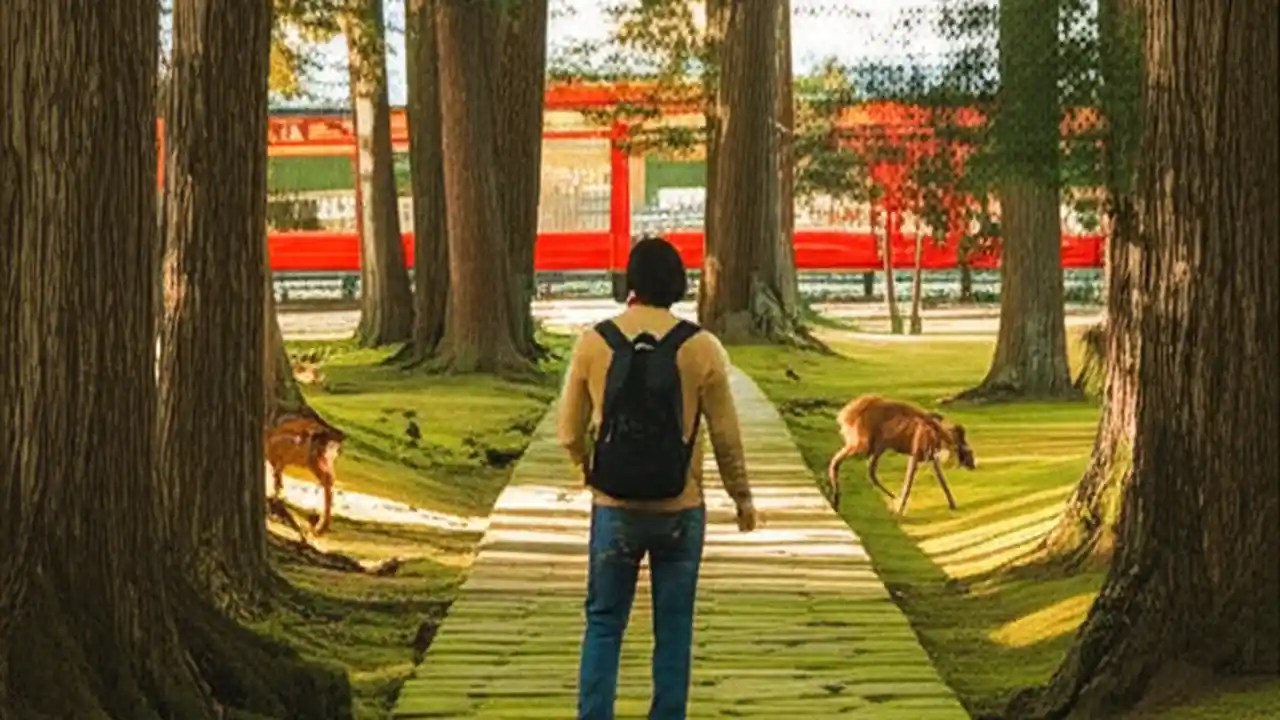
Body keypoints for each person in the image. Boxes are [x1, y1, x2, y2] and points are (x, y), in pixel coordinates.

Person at [557, 235, 758, 720]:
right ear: (678, 284)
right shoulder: (701, 347)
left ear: (630, 281)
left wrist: (588, 469)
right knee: (674, 627)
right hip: (680, 508)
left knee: (604, 623)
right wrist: (742, 497)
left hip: (614, 507)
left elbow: (568, 432)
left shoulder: (594, 342)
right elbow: (726, 436)